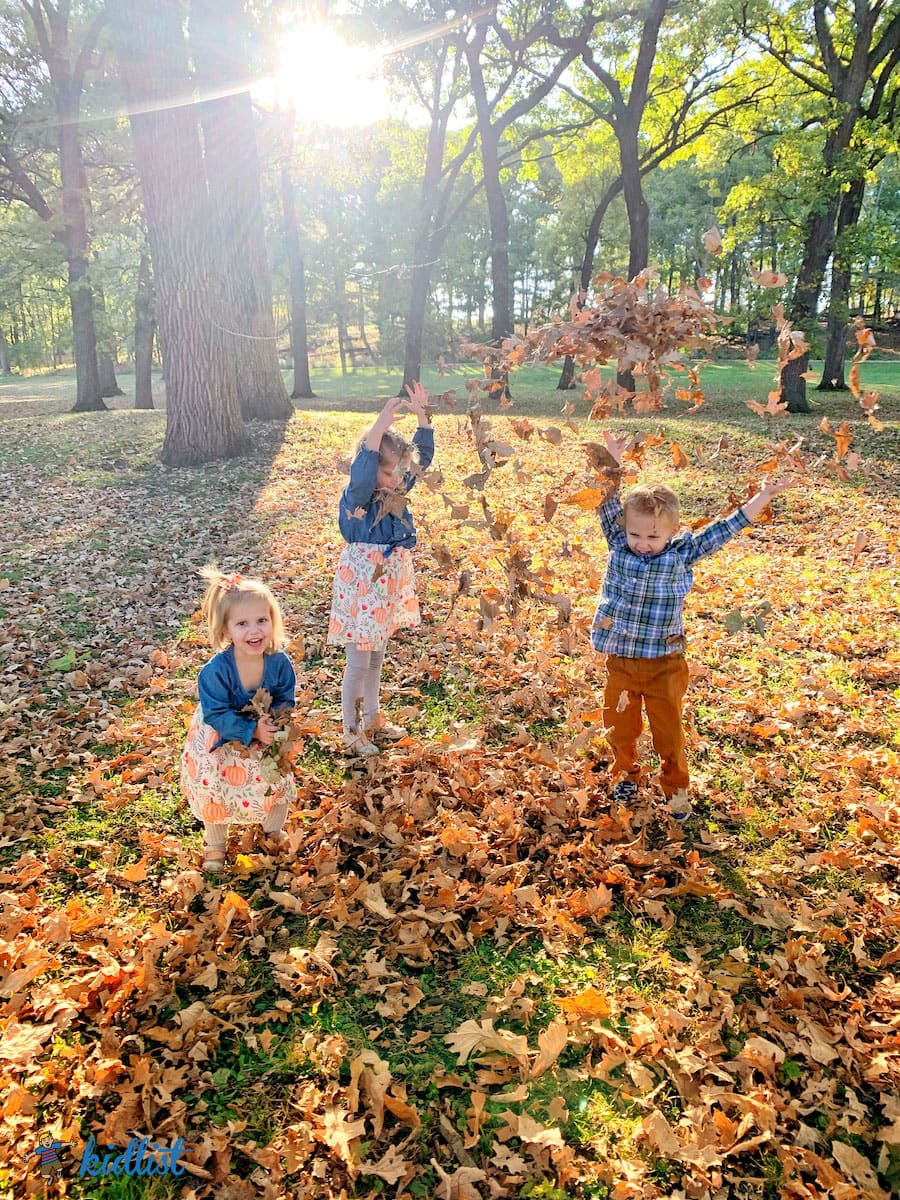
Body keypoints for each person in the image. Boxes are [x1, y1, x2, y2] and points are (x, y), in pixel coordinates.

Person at [592, 431, 796, 820]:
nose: (642, 542)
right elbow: (605, 503)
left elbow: (726, 527)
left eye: (653, 535)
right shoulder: (619, 543)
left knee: (667, 732)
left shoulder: (684, 553)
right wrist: (613, 463)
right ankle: (626, 776)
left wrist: (763, 496)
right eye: (636, 533)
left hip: (664, 663)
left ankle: (676, 788)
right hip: (620, 659)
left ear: (672, 531)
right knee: (619, 726)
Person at [327, 382, 434, 754]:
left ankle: (372, 717)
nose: (399, 480)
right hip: (362, 584)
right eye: (390, 472)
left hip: (386, 581)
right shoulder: (358, 497)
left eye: (402, 473)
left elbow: (423, 464)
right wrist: (379, 427)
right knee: (358, 660)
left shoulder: (397, 493)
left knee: (376, 655)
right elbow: (362, 470)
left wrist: (423, 418)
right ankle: (351, 730)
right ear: (373, 470)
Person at [180, 566, 297, 870]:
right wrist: (250, 730)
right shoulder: (215, 671)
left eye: (262, 620)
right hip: (222, 736)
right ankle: (216, 845)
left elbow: (285, 697)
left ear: (273, 621)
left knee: (277, 781)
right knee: (216, 790)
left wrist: (277, 722)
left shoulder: (279, 662)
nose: (254, 631)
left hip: (265, 732)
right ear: (225, 631)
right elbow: (216, 713)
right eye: (242, 623)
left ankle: (273, 833)